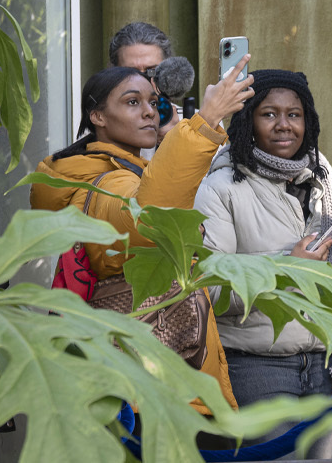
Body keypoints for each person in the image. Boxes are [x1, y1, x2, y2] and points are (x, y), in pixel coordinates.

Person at [31, 60, 256, 408]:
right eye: (132, 102)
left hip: (140, 381)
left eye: (153, 102)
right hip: (147, 392)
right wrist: (205, 122)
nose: (149, 112)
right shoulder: (107, 183)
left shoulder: (122, 173)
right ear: (97, 116)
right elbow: (150, 220)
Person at [195, 70, 332, 457]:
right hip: (256, 367)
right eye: (269, 114)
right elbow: (209, 290)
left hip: (324, 363)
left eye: (294, 114)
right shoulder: (221, 188)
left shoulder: (329, 187)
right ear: (248, 121)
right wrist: (287, 267)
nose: (284, 124)